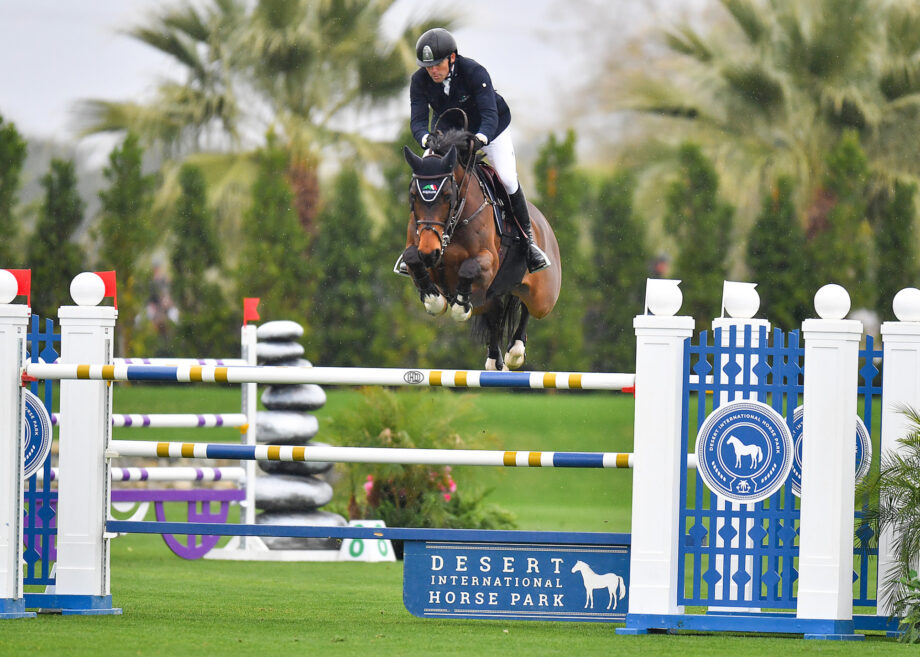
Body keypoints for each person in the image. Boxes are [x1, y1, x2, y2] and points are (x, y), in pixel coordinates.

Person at [409, 27, 550, 273]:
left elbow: (489, 114)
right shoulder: (419, 81)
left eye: (438, 64)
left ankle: (529, 242)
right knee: (424, 177)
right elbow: (418, 120)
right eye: (428, 66)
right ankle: (414, 243)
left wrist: (481, 138)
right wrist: (425, 139)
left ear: (452, 58)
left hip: (490, 129)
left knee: (507, 178)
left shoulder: (474, 72)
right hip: (449, 133)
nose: (433, 71)